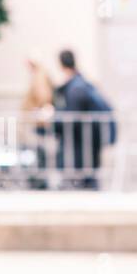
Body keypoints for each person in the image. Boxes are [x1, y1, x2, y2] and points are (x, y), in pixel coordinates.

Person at [52, 49, 116, 189]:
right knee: (89, 178)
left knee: (85, 181)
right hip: (87, 143)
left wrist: (53, 120)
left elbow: (71, 117)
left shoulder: (76, 88)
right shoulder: (82, 83)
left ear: (61, 65)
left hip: (80, 145)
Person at [19, 54, 54, 183]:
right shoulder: (39, 75)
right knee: (38, 150)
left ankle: (39, 179)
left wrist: (36, 111)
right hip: (37, 120)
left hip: (39, 122)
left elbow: (43, 96)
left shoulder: (39, 76)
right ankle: (39, 177)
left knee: (38, 150)